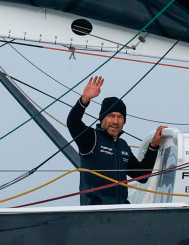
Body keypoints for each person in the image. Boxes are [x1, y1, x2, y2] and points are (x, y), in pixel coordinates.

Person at [66, 76, 165, 206]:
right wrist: (84, 100)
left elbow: (142, 175)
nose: (115, 121)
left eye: (120, 117)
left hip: (120, 212)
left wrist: (153, 146)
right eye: (111, 116)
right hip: (94, 213)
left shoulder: (123, 146)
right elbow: (73, 123)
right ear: (102, 118)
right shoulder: (91, 138)